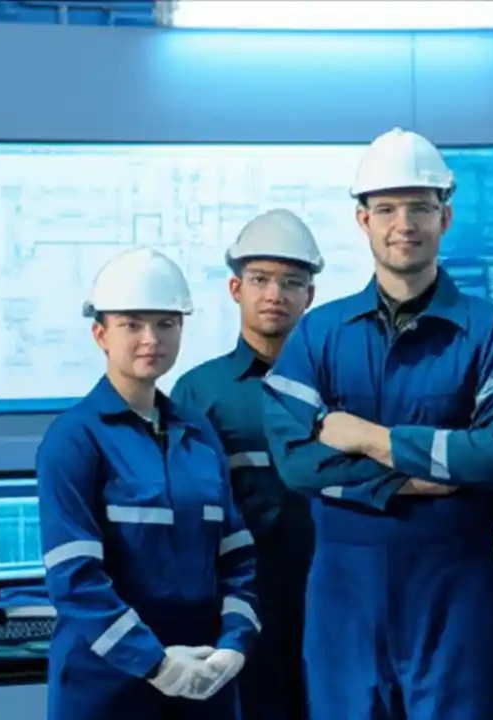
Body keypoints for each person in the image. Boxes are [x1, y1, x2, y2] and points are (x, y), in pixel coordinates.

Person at [261, 127, 493, 720]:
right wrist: (422, 477)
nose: (404, 224)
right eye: (386, 209)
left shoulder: (490, 332)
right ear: (362, 220)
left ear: (445, 215)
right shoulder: (320, 334)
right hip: (345, 595)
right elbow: (295, 459)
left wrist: (372, 439)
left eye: (419, 207)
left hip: (457, 591)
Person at [37, 247, 260, 719]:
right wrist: (156, 663)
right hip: (106, 688)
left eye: (166, 323)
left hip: (204, 680)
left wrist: (233, 646)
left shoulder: (200, 436)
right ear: (100, 333)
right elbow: (75, 581)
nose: (150, 339)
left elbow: (237, 559)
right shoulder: (74, 439)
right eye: (132, 324)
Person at [171, 209, 324, 720]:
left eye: (291, 282)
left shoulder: (338, 386)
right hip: (235, 607)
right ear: (236, 289)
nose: (274, 293)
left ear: (311, 296)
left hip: (328, 600)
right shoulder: (198, 392)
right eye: (259, 279)